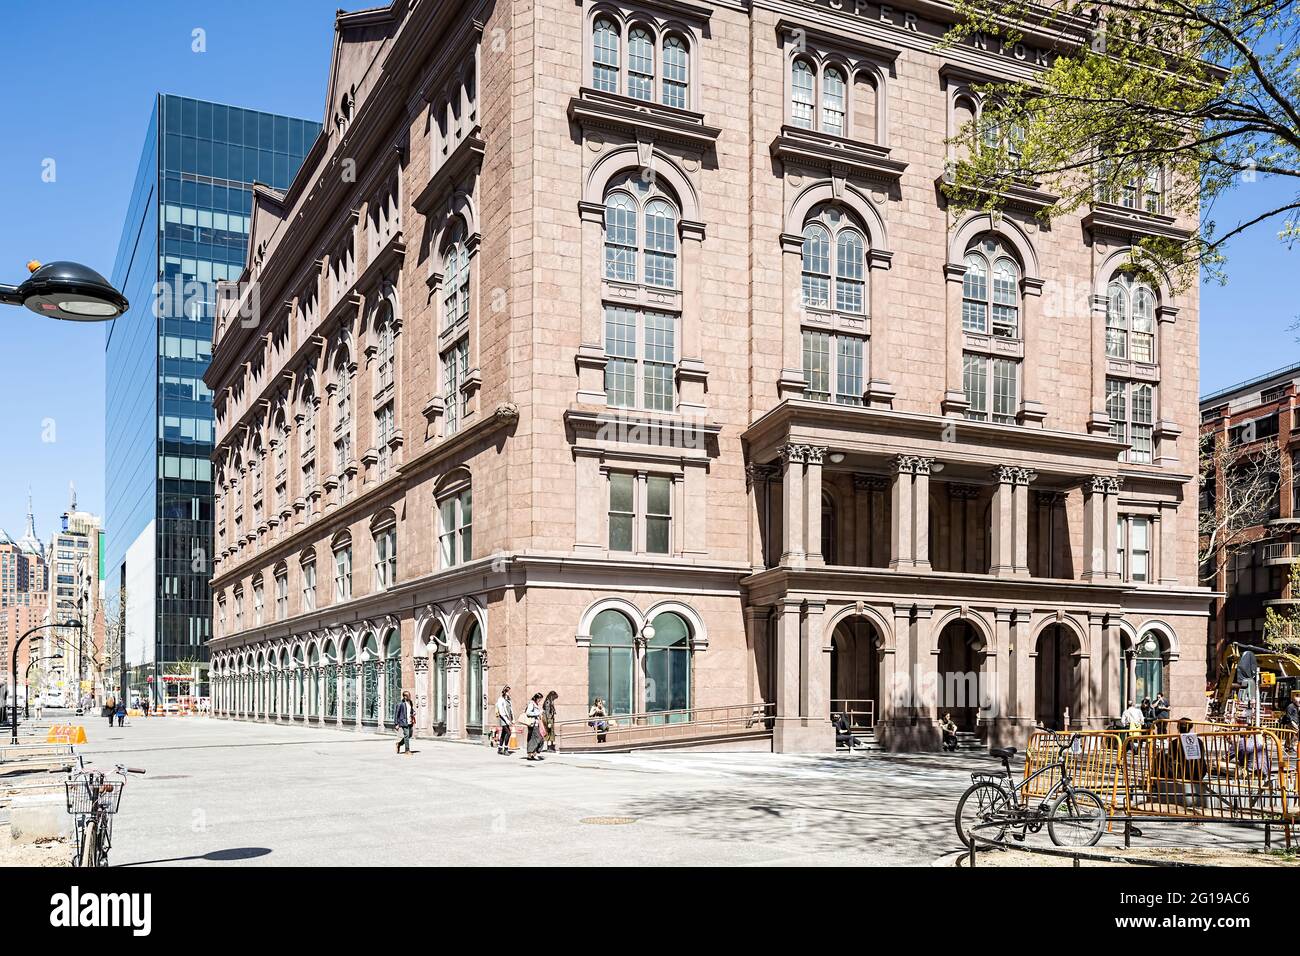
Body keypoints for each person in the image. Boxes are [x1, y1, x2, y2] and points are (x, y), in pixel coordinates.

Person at [523, 693, 545, 761]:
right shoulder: (531, 703)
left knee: (532, 739)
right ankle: (534, 754)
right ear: (536, 698)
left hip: (535, 724)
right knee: (539, 738)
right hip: (533, 724)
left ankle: (530, 755)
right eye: (539, 699)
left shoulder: (535, 704)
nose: (540, 701)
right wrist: (538, 713)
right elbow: (528, 712)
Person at [394, 689, 414, 755]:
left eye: (409, 695)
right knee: (406, 735)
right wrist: (396, 724)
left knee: (409, 735)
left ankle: (399, 744)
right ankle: (407, 750)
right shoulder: (400, 704)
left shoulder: (410, 703)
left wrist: (413, 713)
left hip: (410, 721)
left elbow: (411, 710)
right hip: (404, 722)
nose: (410, 697)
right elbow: (396, 714)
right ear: (405, 696)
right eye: (408, 696)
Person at [496, 686, 514, 755]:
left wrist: (512, 719)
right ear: (505, 692)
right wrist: (507, 720)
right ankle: (506, 749)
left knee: (503, 734)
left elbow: (511, 710)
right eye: (508, 691)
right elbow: (501, 711)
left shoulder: (508, 700)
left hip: (508, 718)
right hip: (503, 719)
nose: (509, 693)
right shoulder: (500, 699)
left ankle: (500, 748)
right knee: (509, 733)